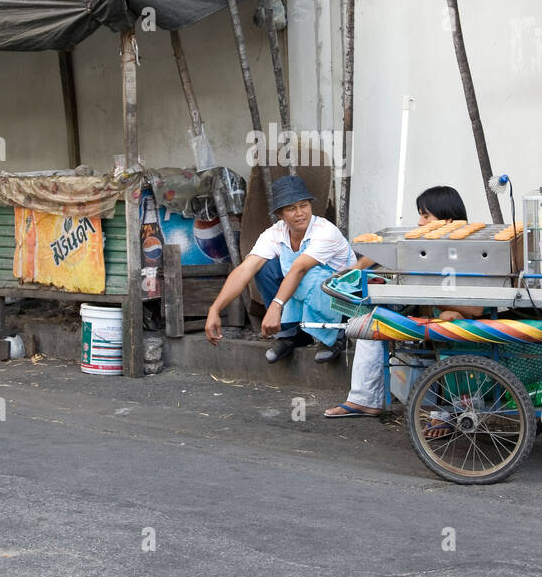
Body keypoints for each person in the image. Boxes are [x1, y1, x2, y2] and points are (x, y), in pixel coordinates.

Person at [324, 185, 483, 431]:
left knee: (445, 326)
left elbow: (475, 309)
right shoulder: (424, 243)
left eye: (425, 215)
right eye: (419, 215)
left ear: (448, 220)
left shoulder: (466, 251)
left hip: (454, 321)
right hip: (424, 313)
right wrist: (352, 272)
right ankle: (364, 399)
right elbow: (380, 253)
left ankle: (445, 414)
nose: (419, 222)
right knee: (372, 319)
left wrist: (428, 297)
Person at [204, 175, 356, 364]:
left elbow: (299, 269)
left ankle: (334, 335)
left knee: (313, 275)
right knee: (265, 268)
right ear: (280, 215)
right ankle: (290, 334)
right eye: (291, 208)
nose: (300, 213)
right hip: (305, 291)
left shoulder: (325, 231)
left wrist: (276, 306)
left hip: (342, 301)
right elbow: (245, 270)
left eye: (304, 205)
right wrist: (215, 309)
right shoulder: (275, 233)